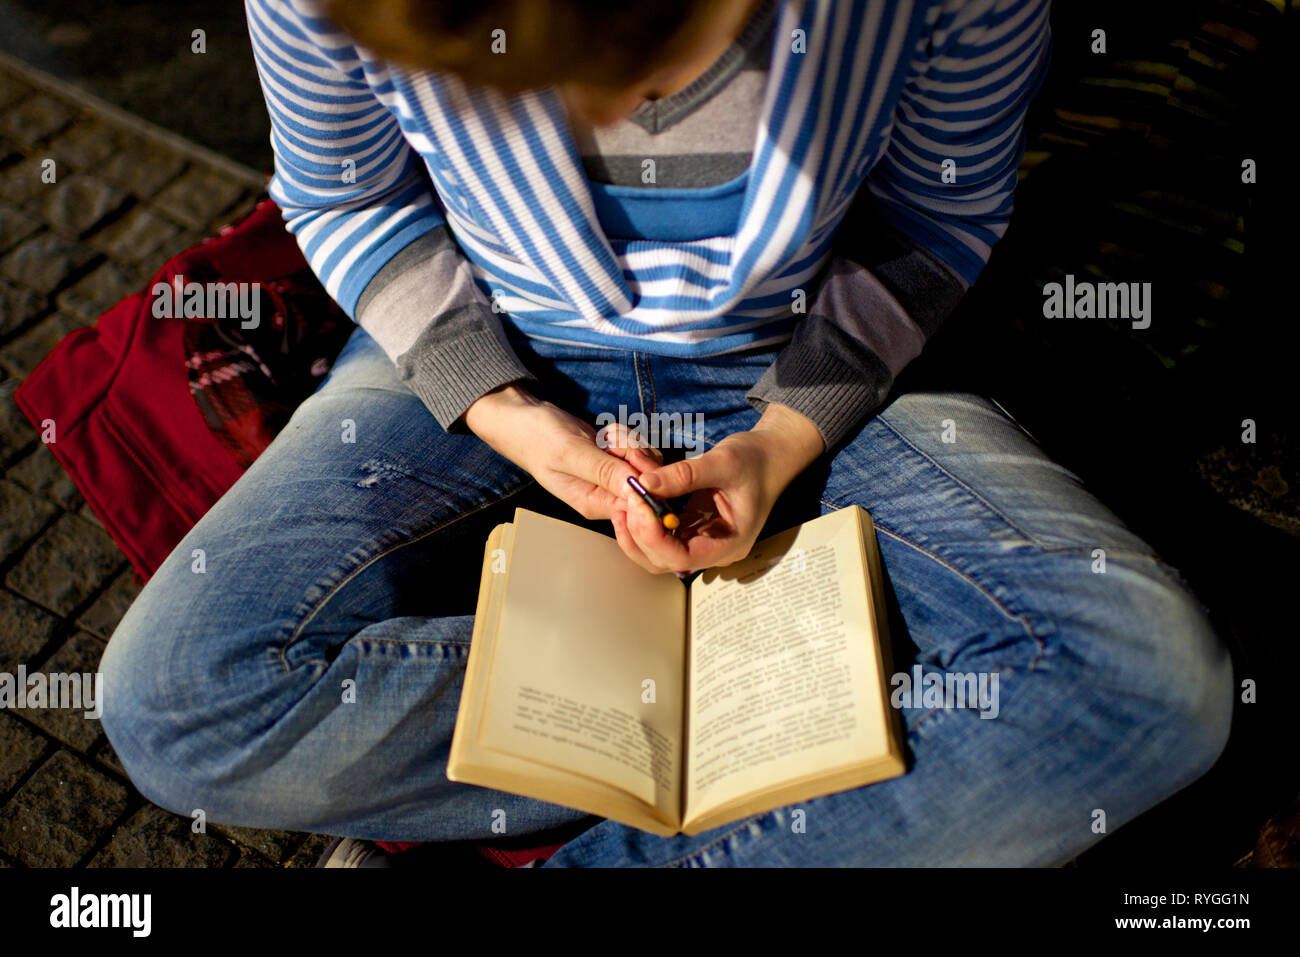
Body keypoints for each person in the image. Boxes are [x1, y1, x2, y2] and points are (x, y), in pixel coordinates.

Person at [98, 0, 1233, 866]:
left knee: (1145, 680)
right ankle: (797, 707)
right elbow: (349, 199)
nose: (589, 117)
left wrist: (785, 435)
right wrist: (513, 417)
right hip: (494, 337)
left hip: (819, 348)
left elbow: (930, 216)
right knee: (178, 702)